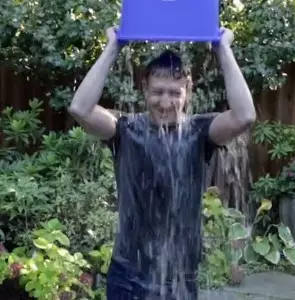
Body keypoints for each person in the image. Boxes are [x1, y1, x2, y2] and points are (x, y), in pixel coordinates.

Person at [68, 26, 256, 300]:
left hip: (179, 275)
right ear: (144, 88)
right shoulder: (124, 130)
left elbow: (244, 116)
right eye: (158, 91)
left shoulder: (200, 132)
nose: (165, 102)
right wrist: (113, 46)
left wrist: (222, 48)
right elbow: (80, 109)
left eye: (174, 93)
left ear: (187, 93)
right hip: (127, 273)